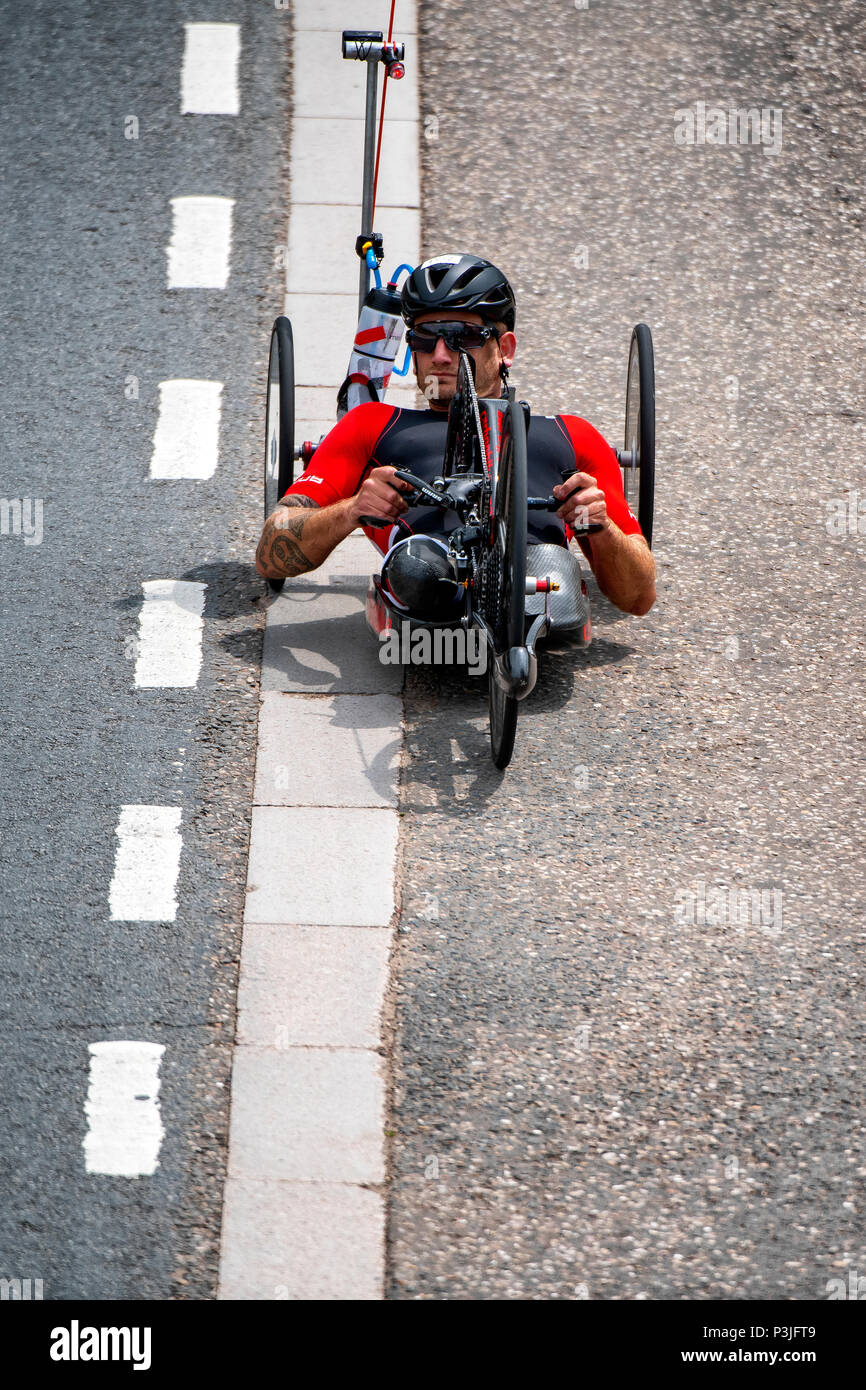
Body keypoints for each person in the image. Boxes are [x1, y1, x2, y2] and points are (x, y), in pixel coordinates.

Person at [256, 254, 656, 618]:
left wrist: (601, 527)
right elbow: (270, 553)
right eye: (424, 338)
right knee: (418, 568)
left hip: (540, 576)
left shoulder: (572, 436)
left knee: (557, 573)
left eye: (462, 336)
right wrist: (350, 510)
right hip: (425, 572)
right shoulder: (370, 424)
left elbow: (639, 597)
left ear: (505, 349)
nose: (441, 355)